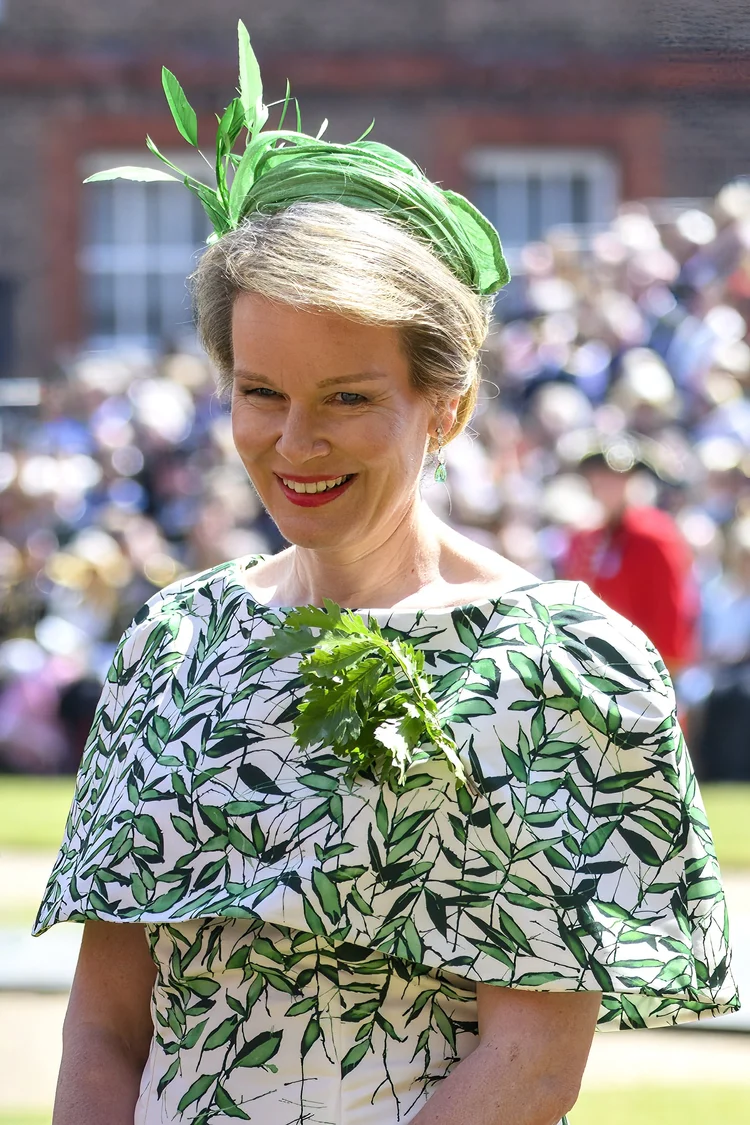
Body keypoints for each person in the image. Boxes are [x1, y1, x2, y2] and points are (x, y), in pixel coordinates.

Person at [34, 25, 738, 1125]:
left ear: (445, 407)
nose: (294, 441)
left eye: (349, 398)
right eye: (261, 391)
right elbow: (106, 1024)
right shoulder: (172, 642)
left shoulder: (563, 666)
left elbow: (533, 1058)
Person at [562, 435, 699, 677]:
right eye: (600, 477)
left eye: (616, 479)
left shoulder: (655, 534)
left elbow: (671, 609)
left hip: (642, 668)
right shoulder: (587, 537)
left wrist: (666, 673)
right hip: (592, 664)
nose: (606, 486)